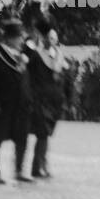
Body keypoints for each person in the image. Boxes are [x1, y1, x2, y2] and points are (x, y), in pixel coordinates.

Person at [0, 18, 33, 185]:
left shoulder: (21, 58)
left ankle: (19, 170)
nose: (22, 40)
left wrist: (28, 99)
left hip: (20, 106)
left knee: (21, 139)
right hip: (1, 106)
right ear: (10, 38)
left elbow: (25, 81)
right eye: (19, 37)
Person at [25, 18, 65, 180]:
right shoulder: (35, 54)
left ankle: (40, 165)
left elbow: (61, 78)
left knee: (45, 135)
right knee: (43, 134)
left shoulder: (57, 55)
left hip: (53, 101)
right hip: (40, 100)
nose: (52, 41)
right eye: (49, 38)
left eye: (54, 39)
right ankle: (38, 166)